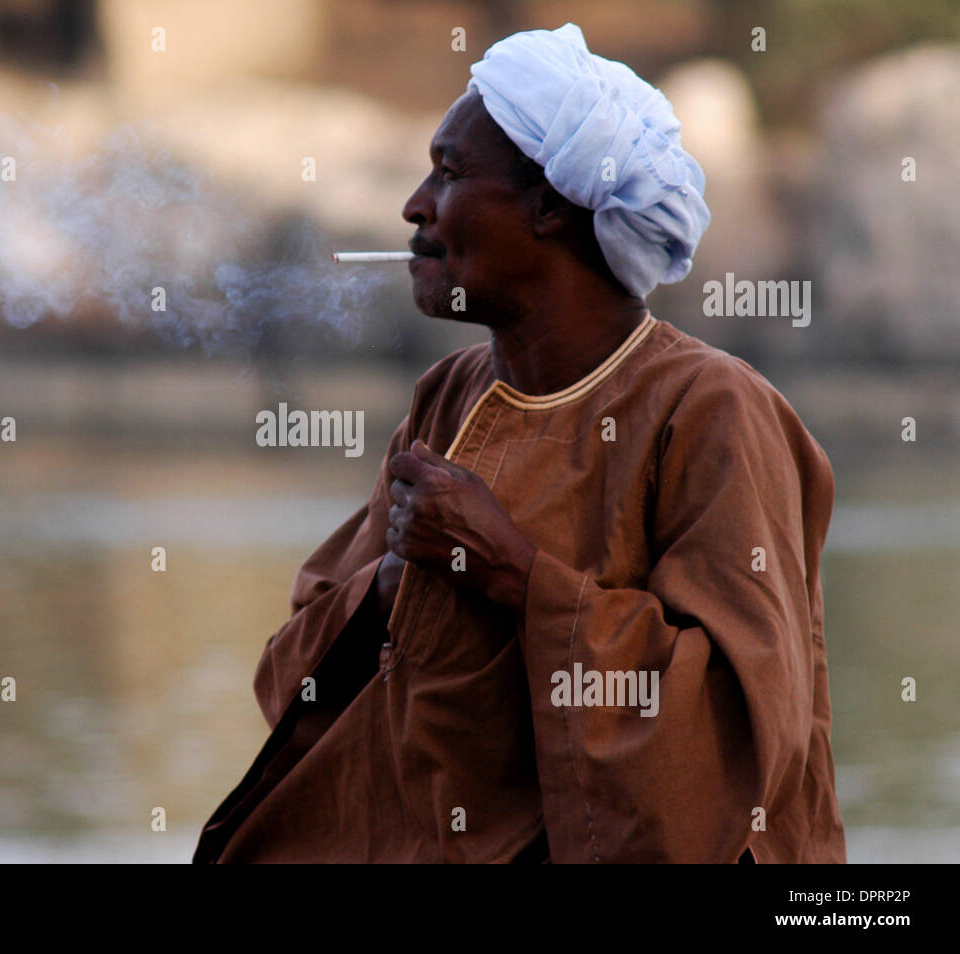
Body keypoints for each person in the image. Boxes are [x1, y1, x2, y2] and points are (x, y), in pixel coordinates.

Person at [194, 22, 845, 863]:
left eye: (452, 172)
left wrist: (510, 572)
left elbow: (736, 735)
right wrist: (396, 583)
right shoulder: (451, 394)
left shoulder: (713, 409)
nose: (415, 206)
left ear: (549, 205)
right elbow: (301, 677)